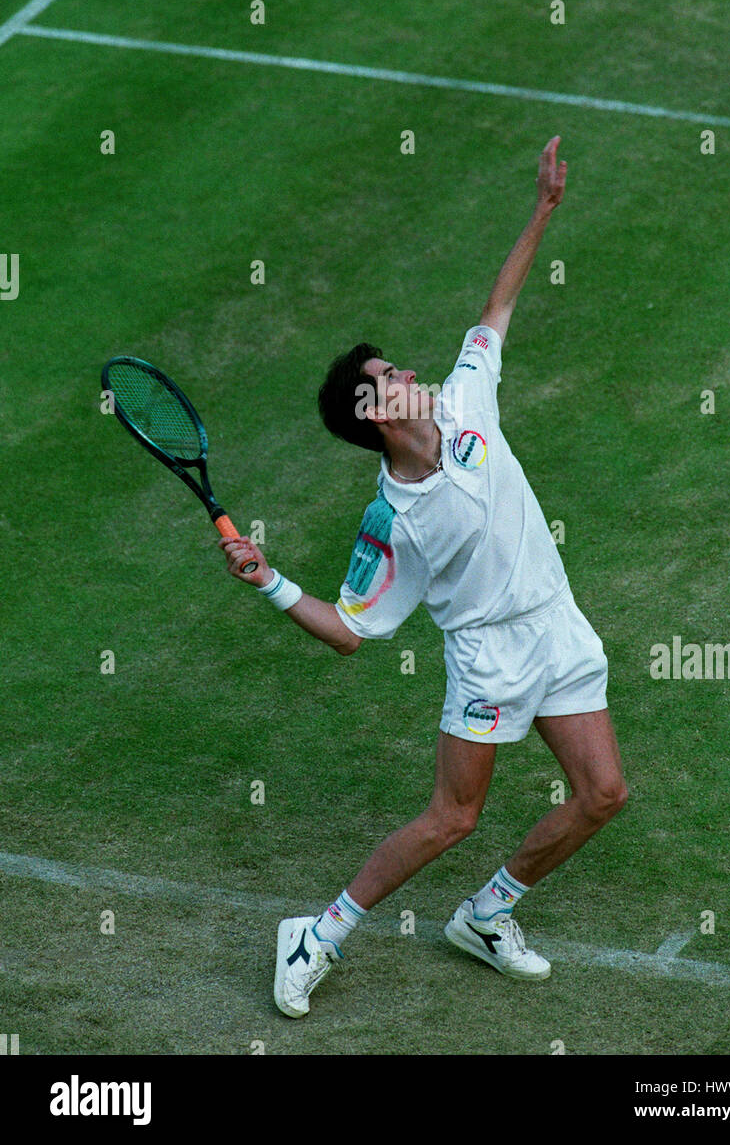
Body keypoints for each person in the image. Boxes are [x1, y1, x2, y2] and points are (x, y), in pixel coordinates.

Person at [220, 137, 627, 1018]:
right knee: (451, 819)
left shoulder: (464, 398)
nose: (406, 373)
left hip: (556, 626)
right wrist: (268, 579)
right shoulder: (392, 524)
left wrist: (543, 208)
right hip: (486, 657)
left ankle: (489, 913)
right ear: (371, 416)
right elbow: (350, 630)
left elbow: (497, 305)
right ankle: (317, 933)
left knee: (603, 794)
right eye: (386, 377)